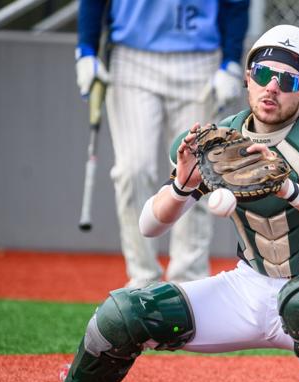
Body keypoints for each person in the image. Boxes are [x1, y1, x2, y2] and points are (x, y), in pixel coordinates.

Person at [8, 25, 299, 382]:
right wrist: (180, 186)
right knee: (124, 313)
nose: (272, 88)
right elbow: (149, 225)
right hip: (249, 285)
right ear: (247, 78)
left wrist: (289, 188)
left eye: (288, 80)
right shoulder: (222, 140)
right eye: (263, 73)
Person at [76, 0, 250, 288]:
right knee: (132, 170)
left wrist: (231, 61)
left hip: (200, 56)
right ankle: (142, 281)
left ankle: (189, 283)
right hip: (131, 55)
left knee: (197, 174)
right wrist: (85, 50)